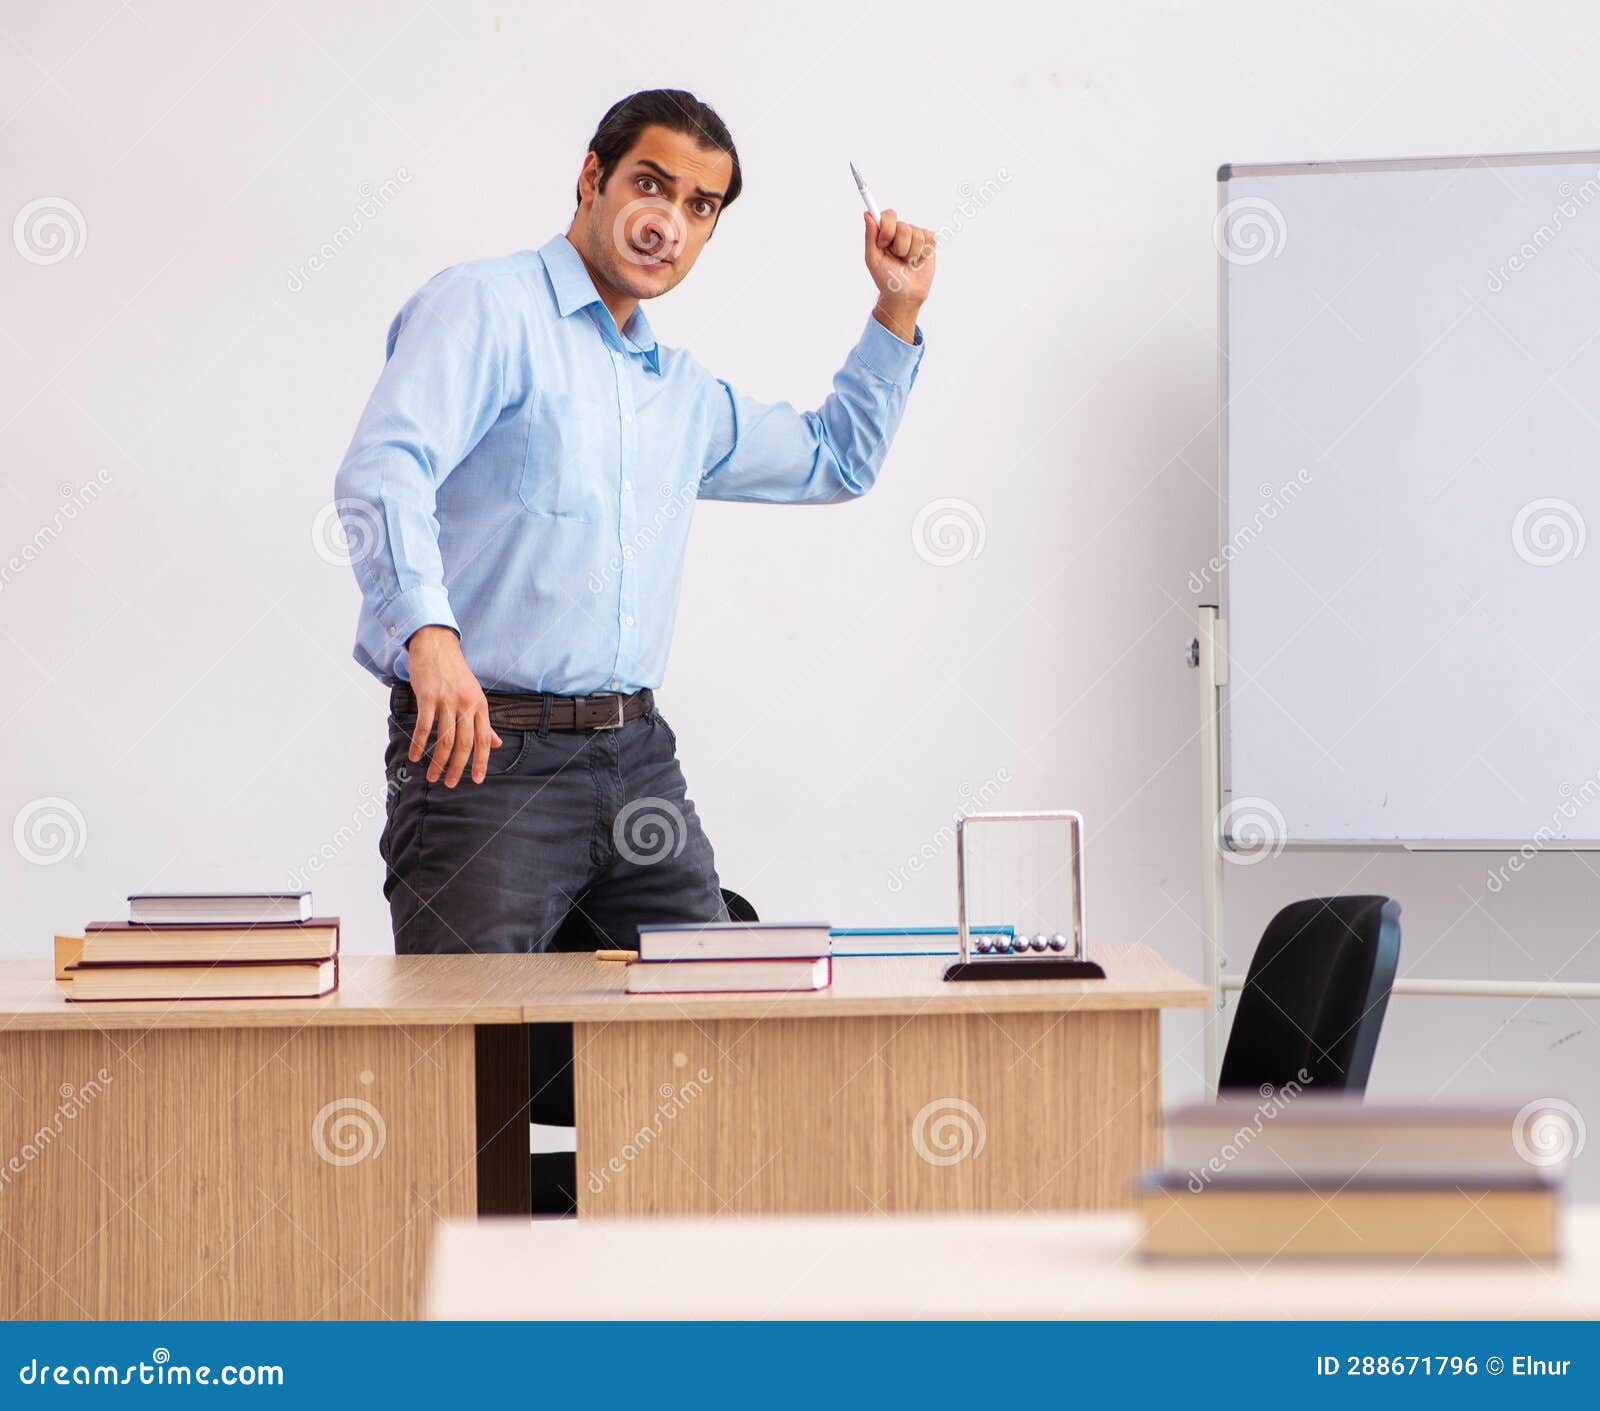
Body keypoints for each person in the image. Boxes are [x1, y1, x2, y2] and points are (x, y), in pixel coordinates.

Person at [334, 87, 935, 975]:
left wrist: (896, 309)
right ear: (592, 179)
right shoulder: (486, 308)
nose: (670, 223)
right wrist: (428, 634)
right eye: (652, 185)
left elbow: (833, 459)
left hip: (637, 760)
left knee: (707, 1029)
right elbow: (384, 468)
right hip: (485, 757)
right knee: (470, 1069)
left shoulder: (678, 393)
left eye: (700, 207)